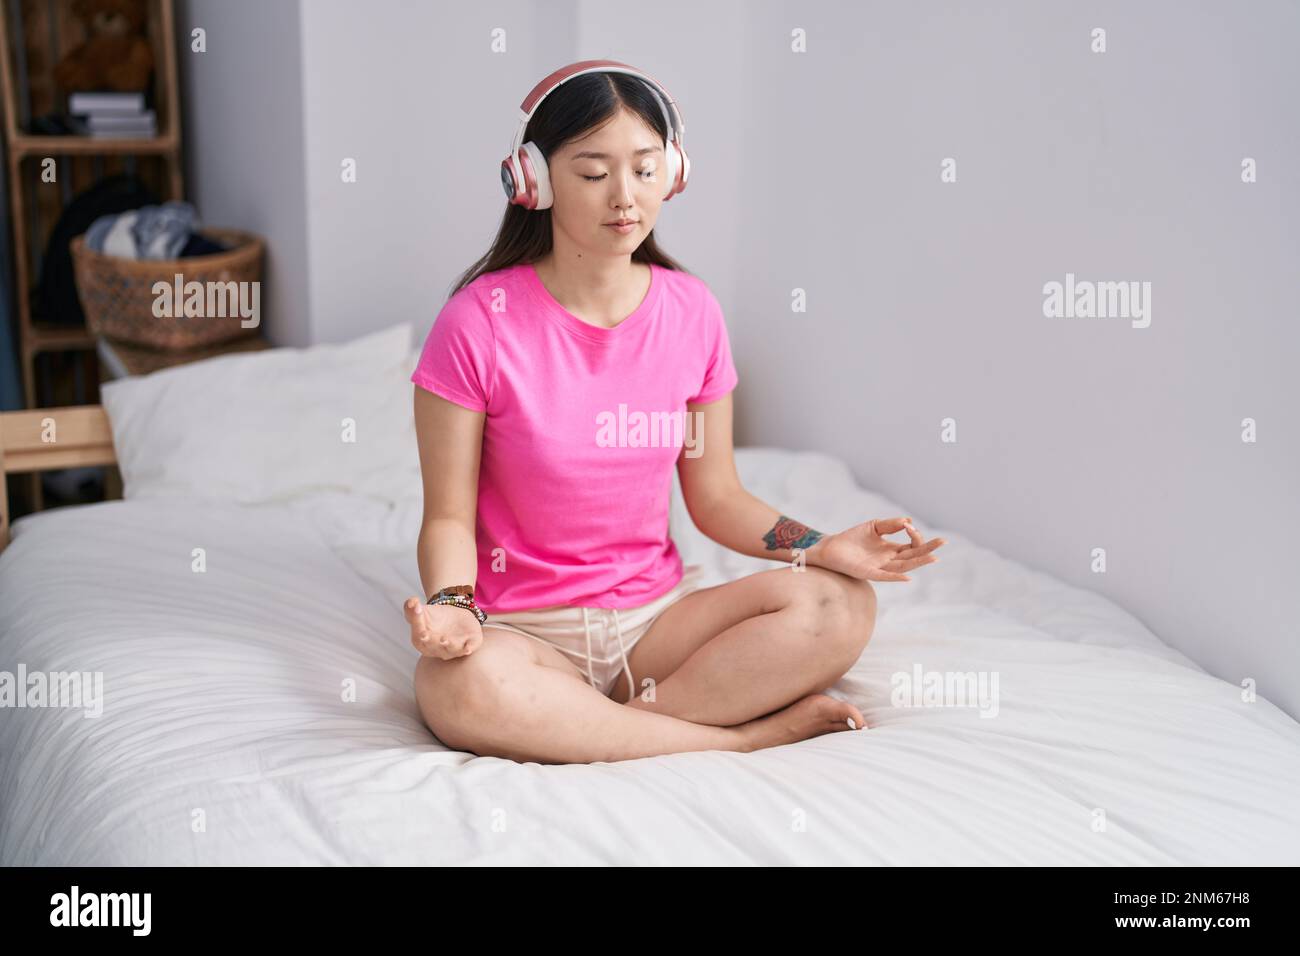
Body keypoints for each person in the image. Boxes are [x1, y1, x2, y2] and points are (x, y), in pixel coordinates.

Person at [404, 61, 945, 764]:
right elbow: (447, 515)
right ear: (532, 180)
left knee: (839, 604)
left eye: (645, 169)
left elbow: (717, 497)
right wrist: (452, 603)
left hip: (654, 626)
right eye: (594, 173)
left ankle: (604, 726)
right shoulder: (478, 321)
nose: (624, 197)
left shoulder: (693, 313)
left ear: (675, 170)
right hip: (525, 630)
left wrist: (821, 545)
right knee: (457, 690)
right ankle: (737, 736)